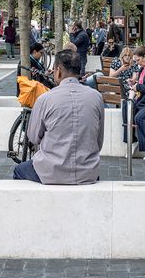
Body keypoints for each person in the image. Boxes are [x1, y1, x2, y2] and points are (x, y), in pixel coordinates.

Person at [13, 48, 104, 184]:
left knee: (19, 170)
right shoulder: (96, 97)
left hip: (50, 171)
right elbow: (99, 141)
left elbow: (33, 137)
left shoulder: (45, 99)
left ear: (58, 71)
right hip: (88, 172)